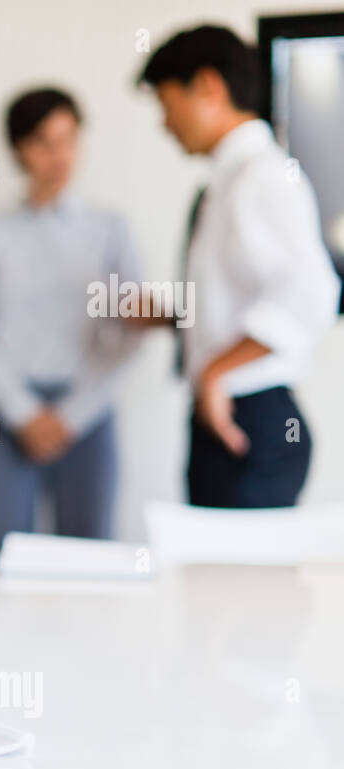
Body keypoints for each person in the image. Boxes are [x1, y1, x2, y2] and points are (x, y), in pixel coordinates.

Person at [137, 25, 340, 507]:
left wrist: (215, 373)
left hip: (250, 423)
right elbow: (245, 297)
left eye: (167, 106)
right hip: (228, 416)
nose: (164, 125)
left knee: (236, 582)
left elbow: (311, 292)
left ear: (208, 86)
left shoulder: (263, 178)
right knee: (212, 579)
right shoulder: (226, 184)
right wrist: (174, 316)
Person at [0, 88, 143, 563]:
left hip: (88, 415)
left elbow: (128, 336)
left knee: (89, 564)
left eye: (69, 141)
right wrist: (24, 414)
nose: (60, 156)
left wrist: (70, 415)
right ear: (19, 149)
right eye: (45, 142)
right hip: (7, 417)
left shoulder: (110, 230)